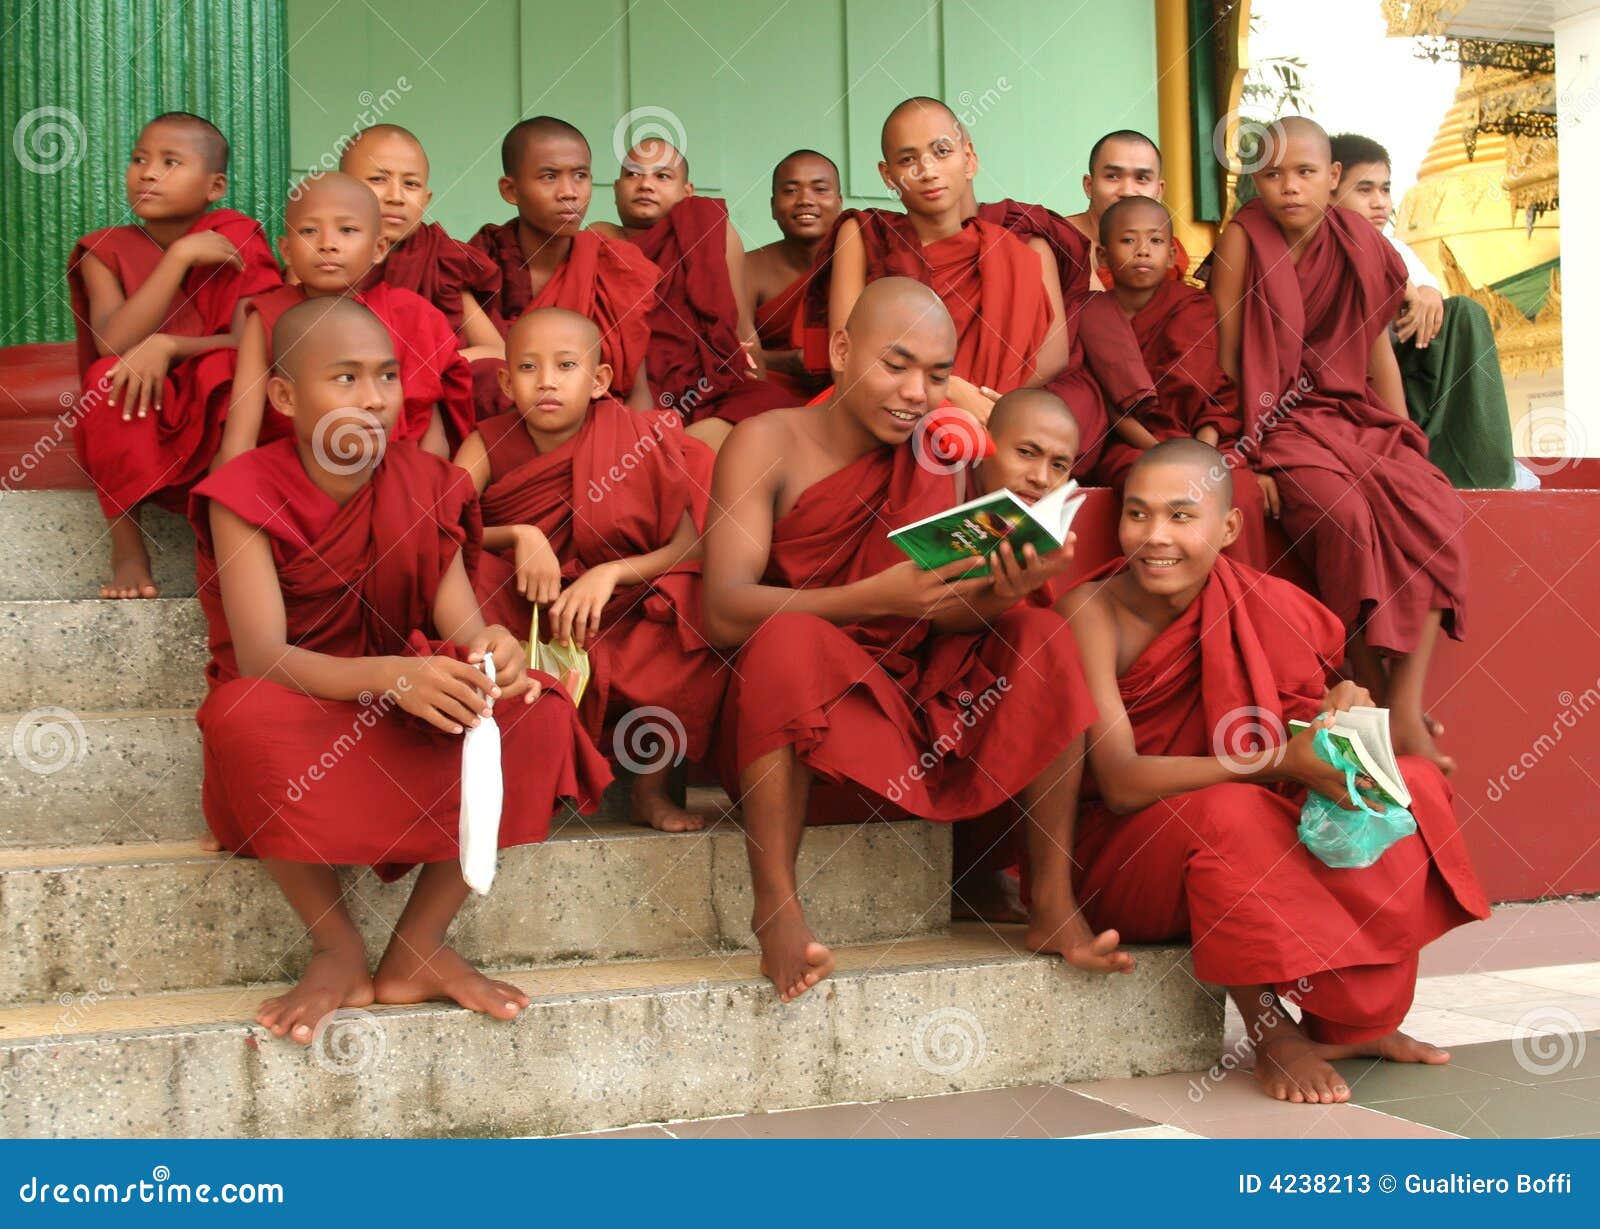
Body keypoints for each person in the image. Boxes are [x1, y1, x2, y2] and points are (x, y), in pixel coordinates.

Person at [192, 297, 611, 1044]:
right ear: (285, 397)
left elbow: (463, 625)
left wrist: (498, 651)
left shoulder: (423, 482)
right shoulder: (245, 490)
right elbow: (262, 657)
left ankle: (417, 946)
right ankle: (337, 946)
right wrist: (392, 676)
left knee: (540, 707)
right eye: (345, 378)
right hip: (304, 701)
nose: (374, 398)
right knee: (237, 713)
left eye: (385, 376)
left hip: (397, 703)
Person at [702, 277, 1120, 1002]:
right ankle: (776, 903)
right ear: (840, 350)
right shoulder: (765, 441)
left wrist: (1002, 592)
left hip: (910, 701)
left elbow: (943, 610)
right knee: (785, 640)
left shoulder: (943, 451)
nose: (917, 392)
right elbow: (724, 610)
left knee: (1041, 631)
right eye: (896, 365)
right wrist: (868, 597)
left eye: (935, 374)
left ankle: (1051, 901)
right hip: (797, 723)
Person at [1059, 438, 1488, 1103]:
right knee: (1232, 810)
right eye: (1137, 515)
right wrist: (1277, 762)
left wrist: (1342, 713)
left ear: (1228, 528)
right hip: (1125, 862)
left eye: (1180, 515)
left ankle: (1358, 1019)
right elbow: (1118, 781)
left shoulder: (1265, 602)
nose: (1155, 536)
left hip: (1232, 831)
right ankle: (1271, 1030)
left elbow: (1292, 707)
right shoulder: (1093, 611)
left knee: (1412, 784)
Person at [1209, 117, 1466, 773]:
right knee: (1344, 517)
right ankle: (1364, 680)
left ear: (1331, 179)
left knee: (1432, 501)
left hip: (1354, 415)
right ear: (1254, 182)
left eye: (1304, 173)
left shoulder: (1356, 239)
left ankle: (1403, 706)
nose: (1289, 187)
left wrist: (1406, 436)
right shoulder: (1243, 239)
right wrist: (1246, 452)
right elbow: (1228, 358)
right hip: (1282, 425)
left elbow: (1372, 343)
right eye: (1272, 174)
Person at [455, 308, 723, 833]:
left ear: (599, 380)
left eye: (565, 366)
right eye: (529, 369)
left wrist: (610, 574)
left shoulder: (635, 437)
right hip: (522, 606)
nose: (547, 382)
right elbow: (438, 527)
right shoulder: (487, 443)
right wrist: (520, 536)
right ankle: (508, 779)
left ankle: (648, 790)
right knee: (465, 583)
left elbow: (688, 546)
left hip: (613, 608)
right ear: (507, 382)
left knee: (685, 618)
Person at [68, 111, 282, 598]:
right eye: (139, 160)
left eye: (170, 162)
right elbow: (113, 344)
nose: (147, 173)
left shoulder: (237, 236)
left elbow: (254, 340)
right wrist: (179, 258)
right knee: (107, 378)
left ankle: (235, 530)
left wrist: (169, 345)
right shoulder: (106, 248)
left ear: (215, 185)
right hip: (147, 396)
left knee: (235, 374)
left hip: (218, 393)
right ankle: (127, 549)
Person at [800, 97, 1067, 427]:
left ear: (968, 159)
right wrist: (948, 390)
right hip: (880, 413)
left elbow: (1053, 356)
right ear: (888, 175)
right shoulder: (865, 236)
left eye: (941, 152)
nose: (927, 171)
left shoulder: (1016, 253)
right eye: (908, 159)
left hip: (991, 413)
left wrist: (985, 403)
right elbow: (846, 352)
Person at [216, 172, 471, 466]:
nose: (327, 244)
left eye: (347, 230)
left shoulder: (410, 314)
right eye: (309, 231)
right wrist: (240, 497)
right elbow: (240, 438)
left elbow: (430, 433)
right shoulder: (267, 316)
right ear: (286, 251)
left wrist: (415, 492)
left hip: (393, 475)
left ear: (379, 248)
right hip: (295, 474)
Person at [1076, 196, 1272, 566]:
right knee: (1149, 488)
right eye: (1128, 240)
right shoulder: (1093, 315)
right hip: (1134, 443)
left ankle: (1239, 602)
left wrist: (1202, 453)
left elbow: (1212, 391)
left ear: (1171, 254)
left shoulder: (1193, 306)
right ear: (1102, 257)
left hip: (1203, 438)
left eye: (1155, 241)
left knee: (1239, 489)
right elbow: (1107, 403)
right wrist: (1160, 455)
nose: (1142, 251)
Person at [1329, 132, 1516, 489]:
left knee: (1465, 313)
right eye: (1364, 190)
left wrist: (1428, 291)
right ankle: (1404, 448)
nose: (1380, 203)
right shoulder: (1316, 246)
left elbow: (1434, 311)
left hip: (1412, 375)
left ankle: (1479, 467)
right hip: (1350, 386)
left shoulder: (1394, 246)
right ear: (1331, 187)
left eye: (1385, 190)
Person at [592, 137, 789, 441]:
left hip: (707, 386)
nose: (645, 184)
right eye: (633, 174)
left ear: (687, 192)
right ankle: (674, 448)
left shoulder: (710, 229)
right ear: (616, 190)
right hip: (630, 385)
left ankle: (680, 447)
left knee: (772, 407)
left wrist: (754, 377)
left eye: (662, 176)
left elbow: (741, 327)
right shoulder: (599, 238)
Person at [470, 117, 659, 415]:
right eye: (549, 177)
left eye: (580, 175)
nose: (569, 192)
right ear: (510, 190)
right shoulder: (480, 265)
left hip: (601, 432)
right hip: (504, 436)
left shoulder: (613, 267)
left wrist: (630, 446)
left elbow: (638, 391)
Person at [339, 124, 503, 361]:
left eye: (411, 184)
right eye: (378, 179)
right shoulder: (323, 254)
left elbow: (498, 352)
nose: (395, 197)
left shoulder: (439, 259)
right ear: (342, 189)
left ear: (426, 200)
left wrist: (424, 370)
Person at [742, 149, 842, 403]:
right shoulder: (748, 267)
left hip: (842, 394)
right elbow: (731, 353)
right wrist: (787, 362)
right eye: (790, 191)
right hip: (770, 393)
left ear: (840, 203)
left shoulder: (860, 260)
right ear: (773, 206)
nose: (805, 200)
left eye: (820, 189)